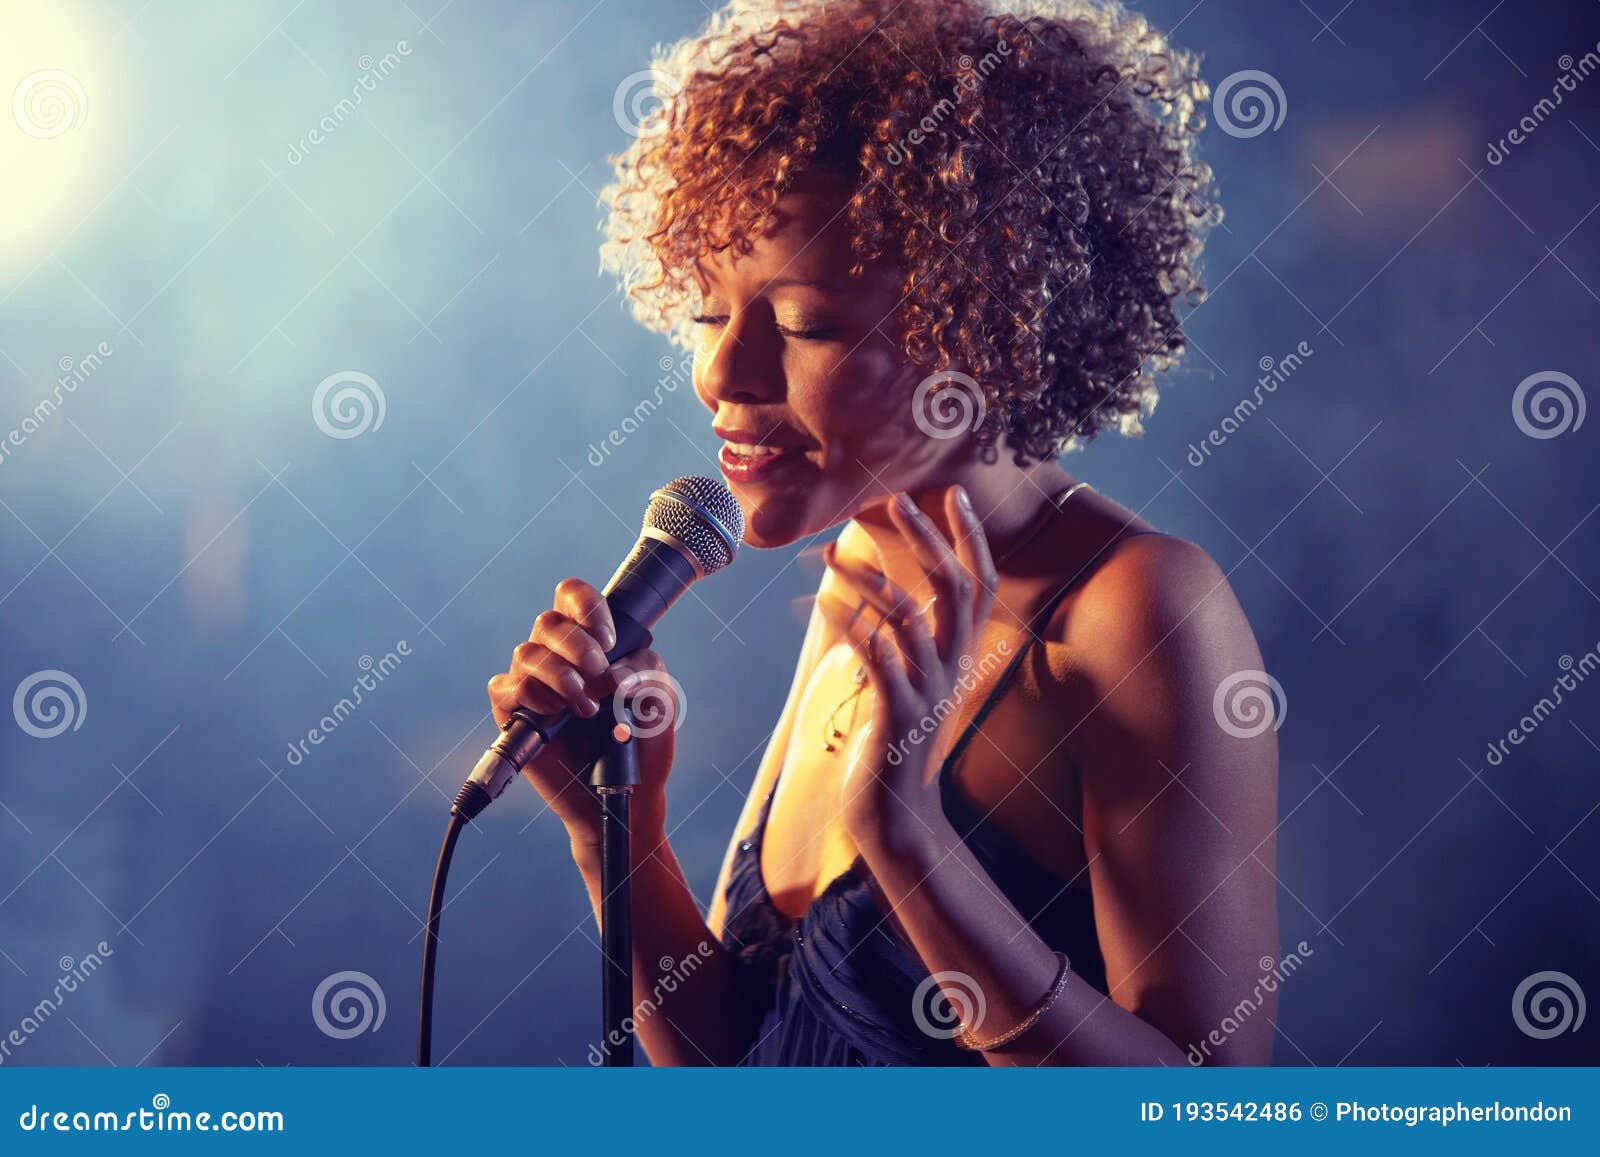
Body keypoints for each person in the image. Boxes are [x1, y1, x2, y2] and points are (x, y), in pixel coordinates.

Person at [488, 0, 1278, 1065]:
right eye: (708, 312)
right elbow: (746, 1064)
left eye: (804, 322)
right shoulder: (861, 567)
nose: (721, 373)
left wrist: (907, 839)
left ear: (987, 325)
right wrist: (613, 832)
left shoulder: (1135, 613)